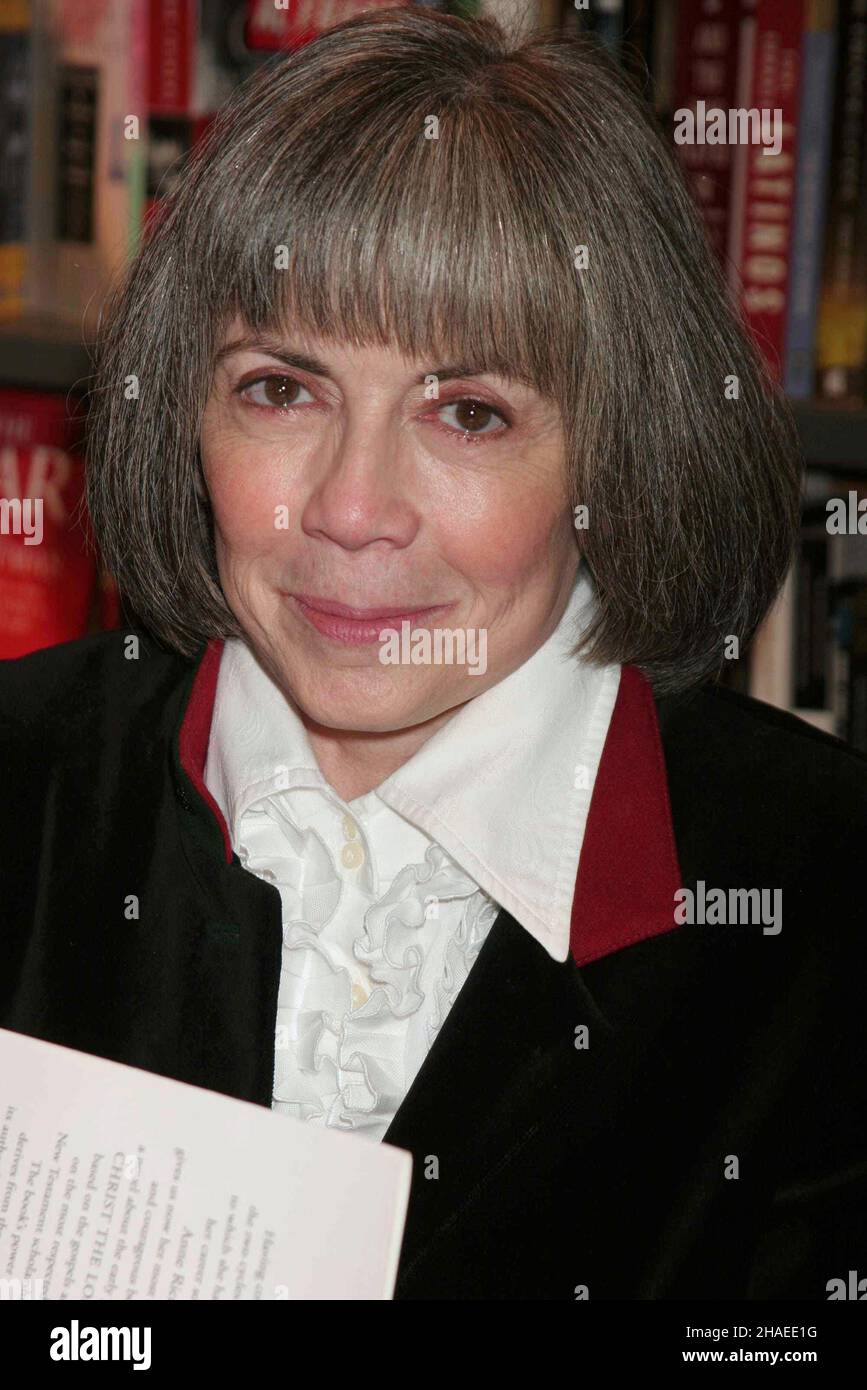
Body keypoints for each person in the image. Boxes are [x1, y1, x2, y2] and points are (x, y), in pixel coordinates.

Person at [1, 6, 865, 1300]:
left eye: (469, 412)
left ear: (618, 447)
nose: (352, 507)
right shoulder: (21, 779)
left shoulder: (829, 914)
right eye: (279, 388)